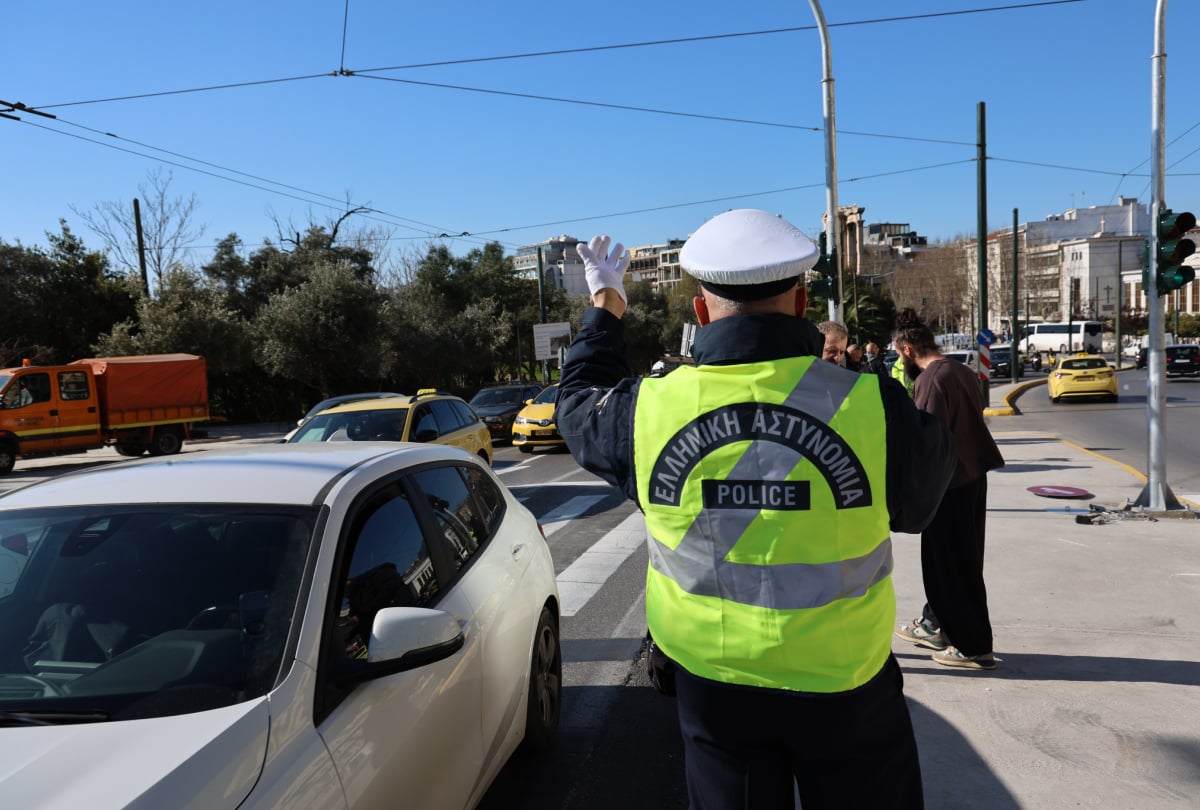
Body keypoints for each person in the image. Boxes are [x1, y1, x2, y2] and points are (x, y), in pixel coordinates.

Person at [556, 210, 957, 809]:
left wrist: (606, 307)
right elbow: (922, 504)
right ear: (801, 304)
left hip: (716, 691)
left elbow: (576, 403)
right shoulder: (872, 406)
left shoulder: (649, 412)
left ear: (698, 312)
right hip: (846, 686)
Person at [892, 308, 1005, 670]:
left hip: (948, 483)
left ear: (907, 350)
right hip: (973, 477)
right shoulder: (961, 370)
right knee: (962, 561)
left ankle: (973, 646)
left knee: (949, 567)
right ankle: (936, 623)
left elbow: (927, 440)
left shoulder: (930, 380)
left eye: (898, 354)